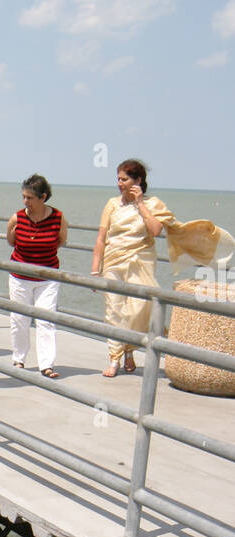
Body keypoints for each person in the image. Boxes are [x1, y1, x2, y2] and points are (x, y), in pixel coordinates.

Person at [92, 159, 177, 377]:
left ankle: (129, 349)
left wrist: (140, 204)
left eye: (125, 179)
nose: (120, 183)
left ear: (138, 180)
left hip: (140, 260)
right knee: (114, 309)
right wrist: (95, 269)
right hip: (113, 261)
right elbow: (101, 238)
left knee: (139, 308)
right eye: (118, 179)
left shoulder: (153, 203)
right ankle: (115, 358)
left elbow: (156, 230)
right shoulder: (112, 204)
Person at [6, 175, 68, 378]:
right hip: (20, 276)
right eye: (23, 197)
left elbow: (60, 241)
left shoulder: (58, 218)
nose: (26, 202)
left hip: (48, 277)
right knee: (19, 319)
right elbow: (11, 240)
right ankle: (19, 359)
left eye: (30, 198)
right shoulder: (17, 217)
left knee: (46, 320)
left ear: (43, 197)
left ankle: (46, 365)